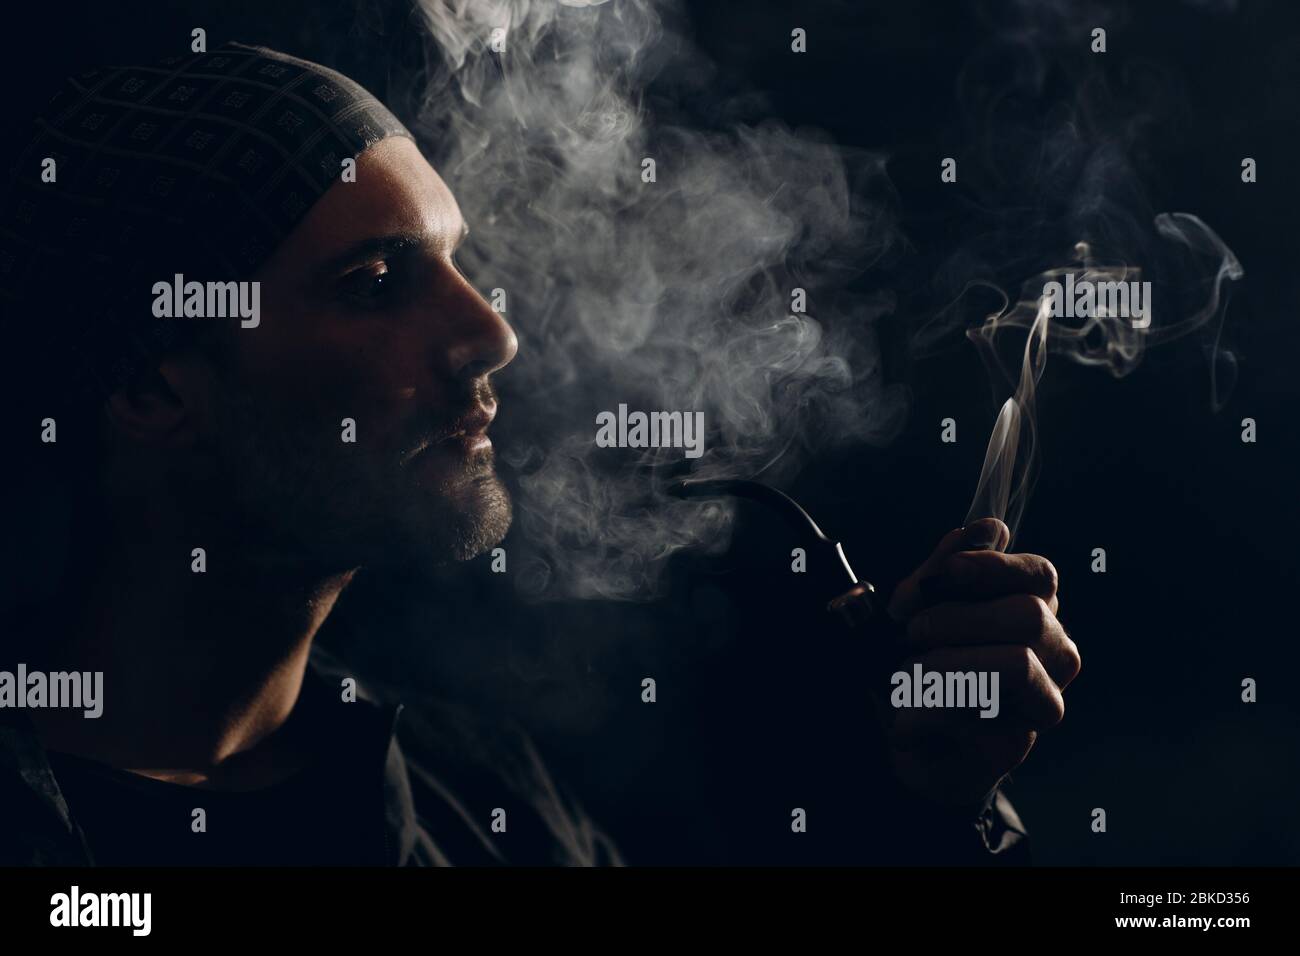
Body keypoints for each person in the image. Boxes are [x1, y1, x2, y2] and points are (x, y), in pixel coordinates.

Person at [0, 42, 1078, 866]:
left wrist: (918, 806)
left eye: (456, 262)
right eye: (375, 283)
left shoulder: (488, 805)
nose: (492, 333)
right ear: (150, 386)